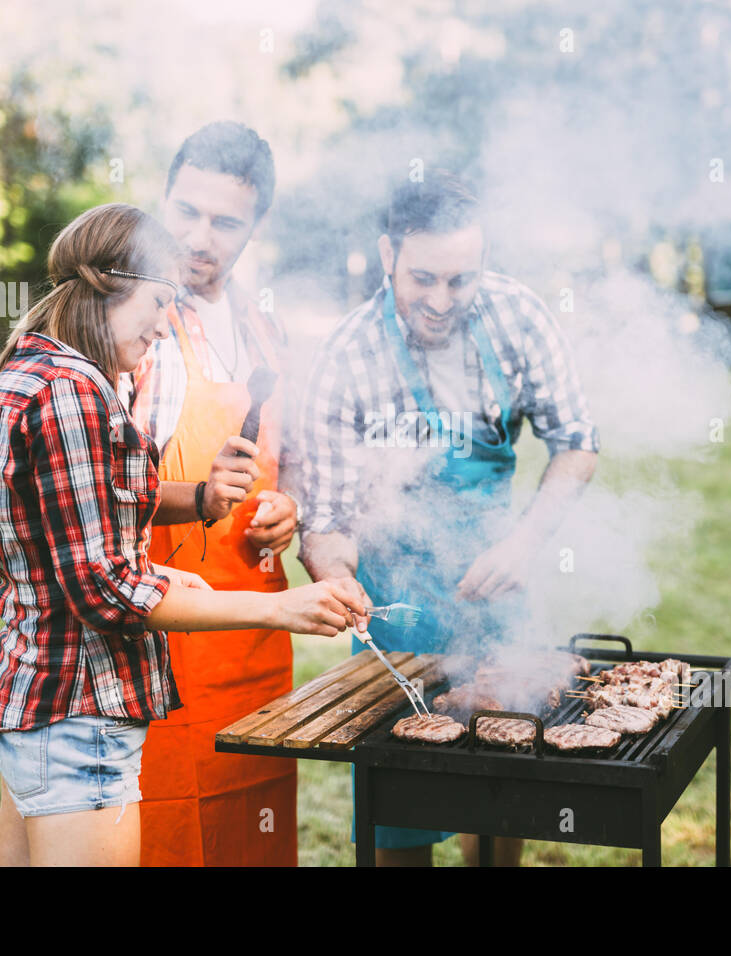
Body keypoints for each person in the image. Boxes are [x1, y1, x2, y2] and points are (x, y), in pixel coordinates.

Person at [0, 202, 365, 866]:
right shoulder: (75, 395)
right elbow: (107, 593)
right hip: (81, 711)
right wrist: (276, 607)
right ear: (108, 285)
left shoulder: (29, 373)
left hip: (34, 704)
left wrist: (199, 502)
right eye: (157, 300)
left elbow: (19, 562)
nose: (163, 322)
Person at [297, 171, 600, 866]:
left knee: (503, 785)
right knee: (398, 808)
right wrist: (339, 578)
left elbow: (577, 442)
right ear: (387, 258)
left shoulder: (517, 318)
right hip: (395, 610)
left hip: (500, 589)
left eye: (460, 280)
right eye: (423, 278)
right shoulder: (347, 358)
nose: (441, 300)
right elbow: (328, 520)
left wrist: (525, 544)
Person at [123, 122, 346, 866]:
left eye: (225, 222)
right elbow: (84, 492)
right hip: (153, 640)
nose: (198, 236)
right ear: (162, 200)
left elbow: (290, 469)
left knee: (251, 834)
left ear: (256, 228)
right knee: (165, 834)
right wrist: (193, 493)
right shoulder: (129, 327)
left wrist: (285, 511)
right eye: (184, 212)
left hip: (254, 638)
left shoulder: (266, 331)